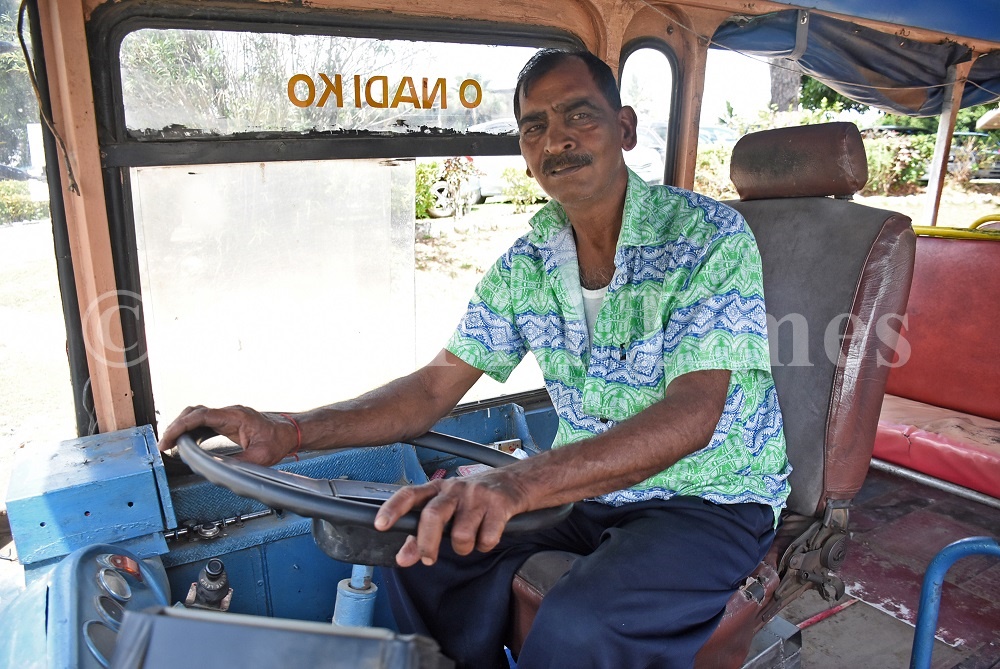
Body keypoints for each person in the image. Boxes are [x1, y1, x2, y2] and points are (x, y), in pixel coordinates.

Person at [159, 49, 791, 669]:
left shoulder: (708, 237)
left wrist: (516, 483)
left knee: (583, 623)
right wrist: (290, 430)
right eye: (534, 126)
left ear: (624, 128)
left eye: (580, 116)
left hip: (708, 498)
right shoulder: (529, 264)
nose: (558, 140)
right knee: (421, 549)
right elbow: (433, 390)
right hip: (585, 490)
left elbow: (693, 414)